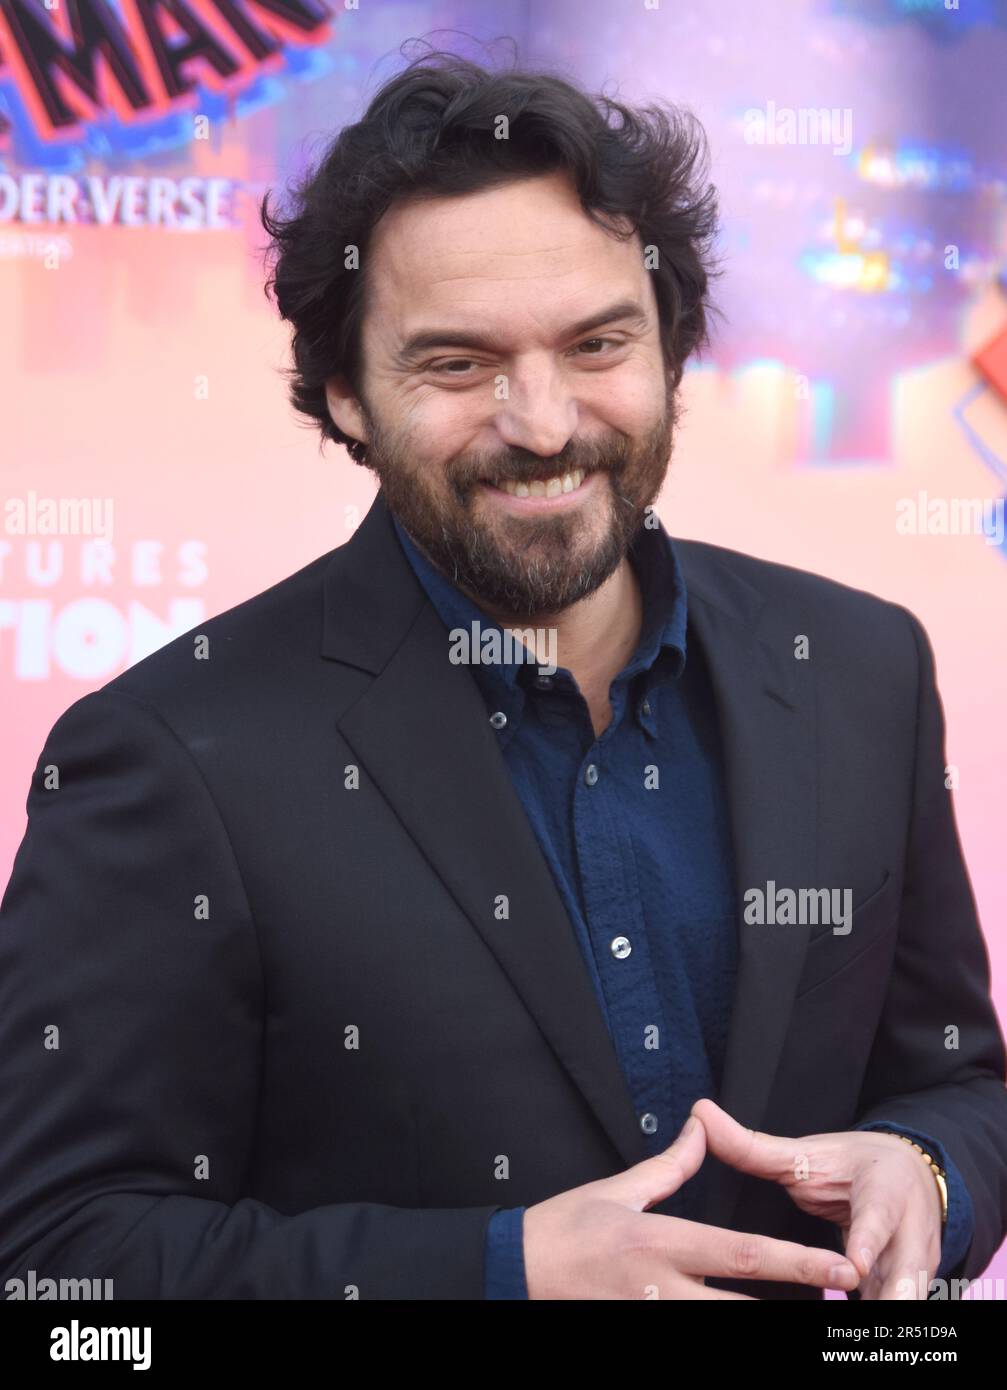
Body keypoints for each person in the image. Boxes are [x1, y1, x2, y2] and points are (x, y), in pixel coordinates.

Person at [1, 50, 1005, 1301]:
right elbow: (59, 1265)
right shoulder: (167, 753)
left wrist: (928, 1170)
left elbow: (957, 1077)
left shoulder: (862, 665)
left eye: (595, 343)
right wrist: (499, 1275)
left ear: (671, 349)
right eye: (458, 364)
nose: (541, 420)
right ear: (345, 395)